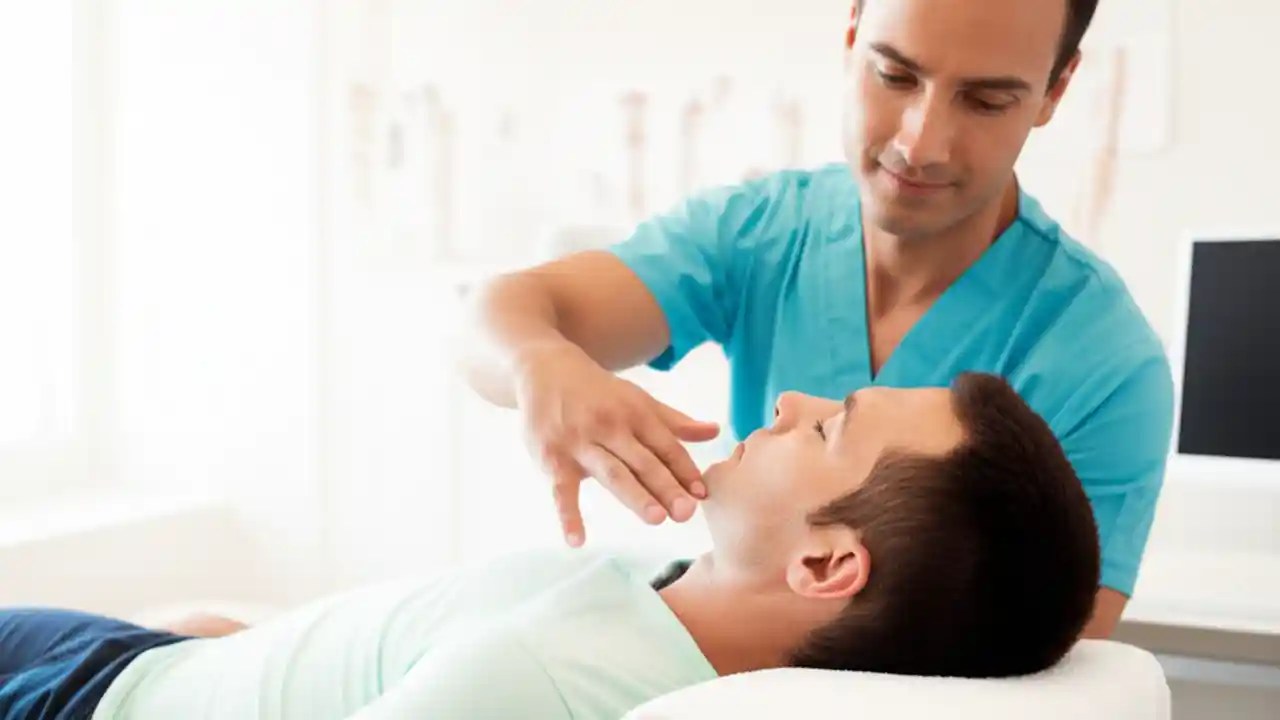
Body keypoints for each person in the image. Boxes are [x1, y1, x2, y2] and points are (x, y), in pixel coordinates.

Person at [461, 0, 1173, 639]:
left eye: (986, 101)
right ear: (854, 27)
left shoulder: (1101, 361)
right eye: (895, 76)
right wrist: (539, 364)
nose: (920, 144)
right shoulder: (763, 231)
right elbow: (495, 318)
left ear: (1055, 89)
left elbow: (1041, 663)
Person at [0, 374, 1099, 720]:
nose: (790, 398)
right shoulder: (672, 601)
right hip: (147, 655)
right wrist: (243, 646)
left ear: (822, 566)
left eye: (826, 428)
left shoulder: (535, 683)